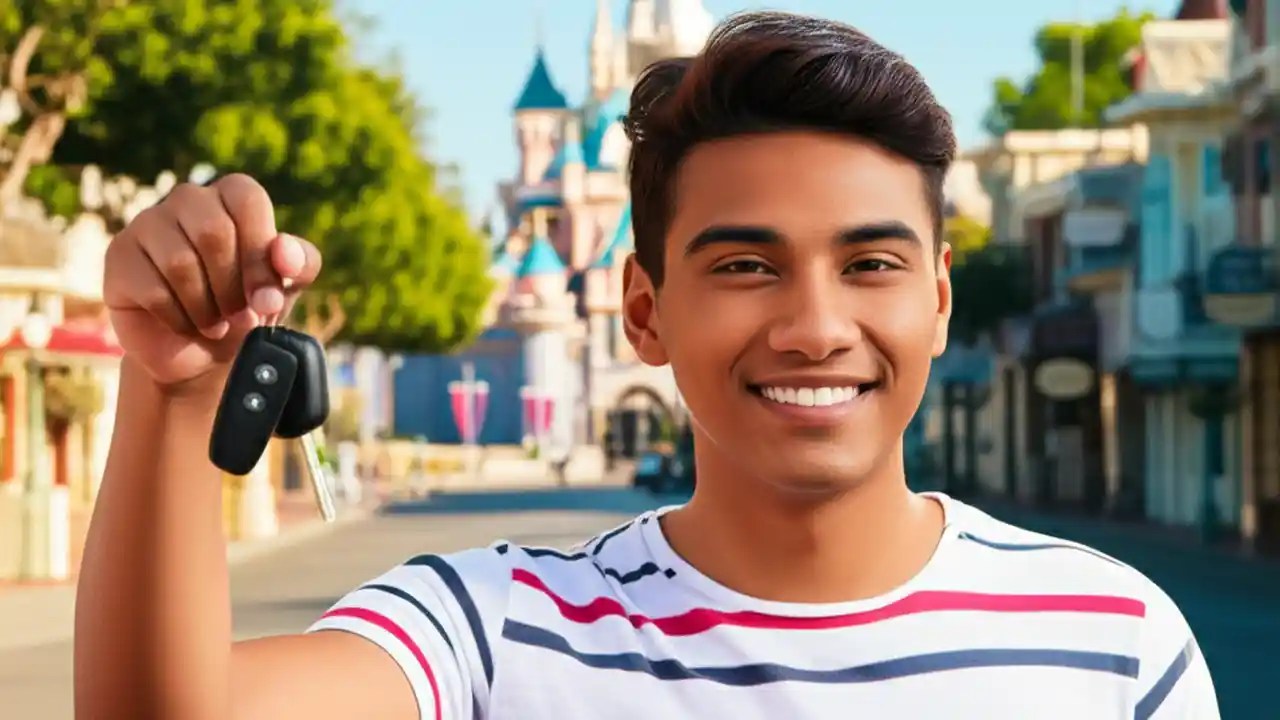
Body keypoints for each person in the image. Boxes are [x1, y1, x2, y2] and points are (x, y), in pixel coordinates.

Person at [75, 11, 1219, 720]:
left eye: (869, 262)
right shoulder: (494, 631)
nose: (813, 326)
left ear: (937, 296)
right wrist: (174, 394)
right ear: (641, 308)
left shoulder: (1112, 636)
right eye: (742, 267)